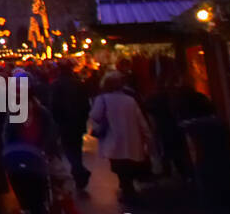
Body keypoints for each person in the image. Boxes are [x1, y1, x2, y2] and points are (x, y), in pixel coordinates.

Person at [88, 70, 154, 202]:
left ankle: (127, 190)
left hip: (113, 139)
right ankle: (128, 189)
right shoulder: (130, 100)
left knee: (119, 166)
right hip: (132, 139)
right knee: (128, 164)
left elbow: (95, 116)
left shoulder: (103, 99)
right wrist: (148, 139)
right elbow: (141, 122)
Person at [50, 59, 91, 194]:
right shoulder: (79, 84)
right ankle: (78, 170)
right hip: (78, 122)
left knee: (68, 149)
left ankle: (79, 170)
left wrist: (56, 121)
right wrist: (83, 118)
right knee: (76, 148)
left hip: (64, 123)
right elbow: (86, 105)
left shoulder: (56, 85)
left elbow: (54, 106)